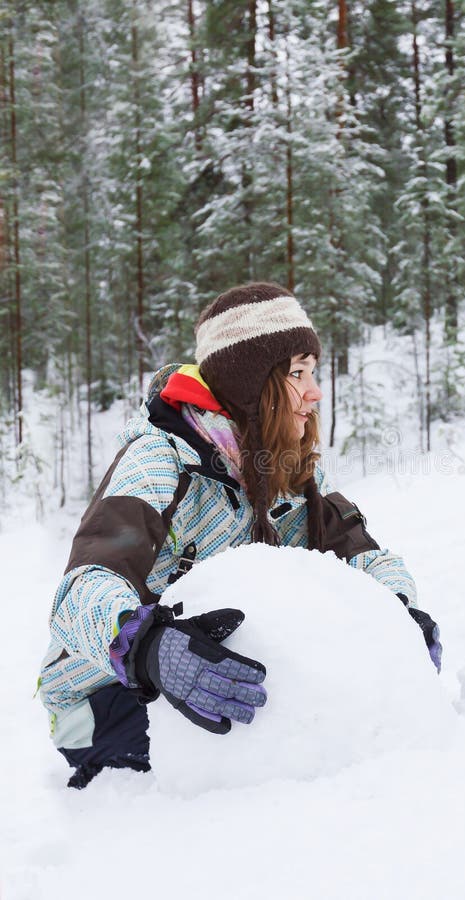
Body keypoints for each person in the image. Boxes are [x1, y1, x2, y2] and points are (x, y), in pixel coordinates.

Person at [38, 282, 442, 788]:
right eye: (298, 374)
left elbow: (362, 556)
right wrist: (146, 646)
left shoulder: (280, 464)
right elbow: (82, 588)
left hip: (213, 667)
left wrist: (397, 614)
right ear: (253, 386)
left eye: (313, 372)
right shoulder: (158, 460)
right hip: (107, 696)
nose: (315, 392)